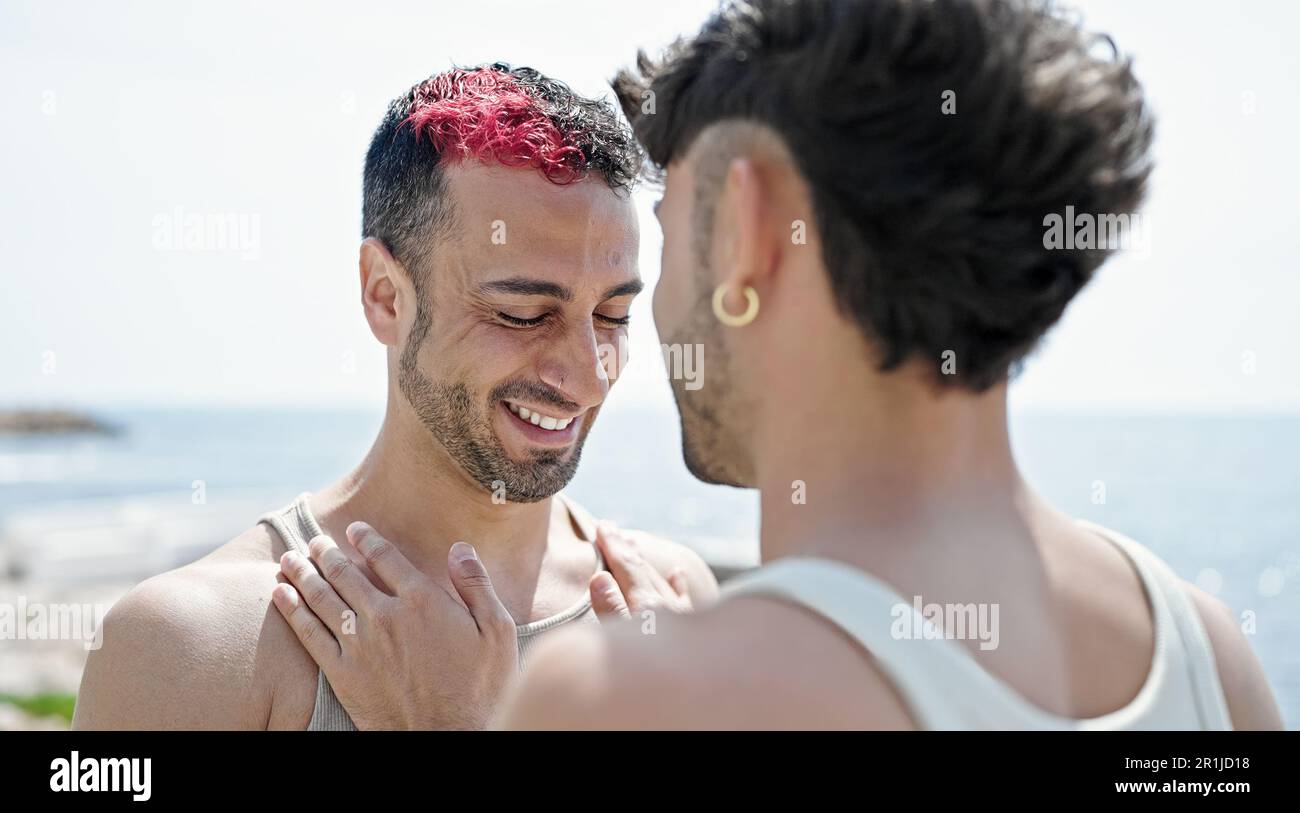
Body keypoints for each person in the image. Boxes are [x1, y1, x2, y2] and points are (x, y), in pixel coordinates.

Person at [273, 0, 1283, 730]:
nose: (598, 356)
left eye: (662, 247)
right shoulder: (1208, 654)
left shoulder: (627, 697)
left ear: (747, 228)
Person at [71, 63, 717, 731]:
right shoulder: (189, 648)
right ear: (385, 295)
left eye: (612, 316)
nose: (588, 374)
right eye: (524, 314)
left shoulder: (670, 605)